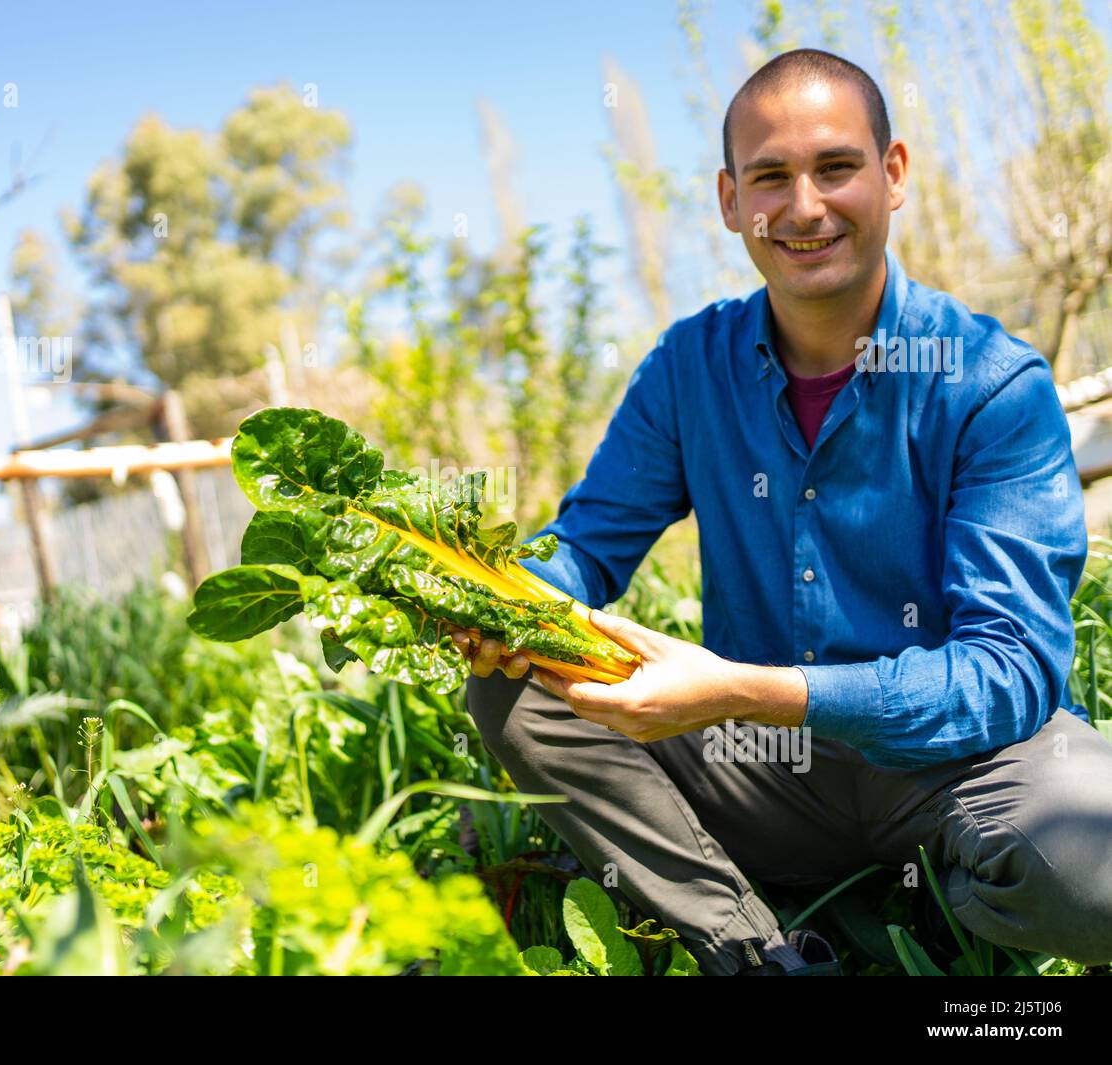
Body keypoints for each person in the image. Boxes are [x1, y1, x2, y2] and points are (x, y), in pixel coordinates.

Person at [456, 47, 1112, 976]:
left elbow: (1009, 674)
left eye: (835, 167)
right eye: (770, 177)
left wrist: (750, 688)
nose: (804, 207)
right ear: (730, 201)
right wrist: (498, 598)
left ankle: (956, 893)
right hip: (758, 768)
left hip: (957, 765)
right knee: (516, 687)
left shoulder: (987, 383)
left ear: (893, 176)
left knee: (1100, 871)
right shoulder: (689, 369)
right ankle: (756, 951)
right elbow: (587, 547)